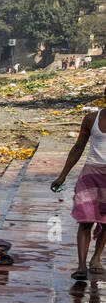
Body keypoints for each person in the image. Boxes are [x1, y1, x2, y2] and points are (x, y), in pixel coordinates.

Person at [50, 102, 106, 280]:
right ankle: (81, 264)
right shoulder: (91, 119)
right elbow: (78, 147)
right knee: (85, 219)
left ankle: (96, 257)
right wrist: (62, 175)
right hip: (90, 175)